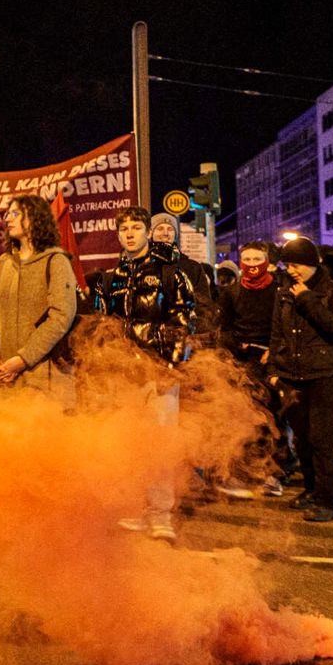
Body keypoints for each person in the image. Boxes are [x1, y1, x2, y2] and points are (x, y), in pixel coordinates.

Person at [86, 206, 199, 540]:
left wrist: (170, 366)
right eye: (125, 229)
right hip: (123, 376)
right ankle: (135, 508)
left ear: (147, 231)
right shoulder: (109, 279)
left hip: (158, 373)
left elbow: (183, 321)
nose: (130, 233)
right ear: (118, 234)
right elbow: (100, 328)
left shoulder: (171, 274)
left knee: (160, 447)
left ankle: (160, 514)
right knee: (129, 446)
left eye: (136, 227)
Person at [268, 238, 333, 522]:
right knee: (302, 439)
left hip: (326, 373)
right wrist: (274, 369)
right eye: (288, 265)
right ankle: (311, 489)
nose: (292, 270)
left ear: (313, 263)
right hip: (292, 374)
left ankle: (328, 499)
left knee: (323, 439)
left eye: (296, 265)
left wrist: (306, 298)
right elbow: (277, 331)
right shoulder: (284, 291)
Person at [0, 195, 78, 410]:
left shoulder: (56, 261)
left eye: (15, 214)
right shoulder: (3, 263)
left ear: (34, 218)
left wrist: (23, 359)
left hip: (44, 379)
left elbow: (61, 317)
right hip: (3, 376)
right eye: (8, 214)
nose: (8, 219)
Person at [214, 241, 288, 496]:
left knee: (272, 418)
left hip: (271, 361)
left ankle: (273, 473)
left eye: (258, 259)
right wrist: (237, 347)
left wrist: (274, 350)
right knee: (244, 418)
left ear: (267, 261)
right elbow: (224, 328)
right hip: (242, 362)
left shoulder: (279, 290)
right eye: (248, 259)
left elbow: (285, 325)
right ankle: (246, 470)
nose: (253, 265)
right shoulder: (231, 293)